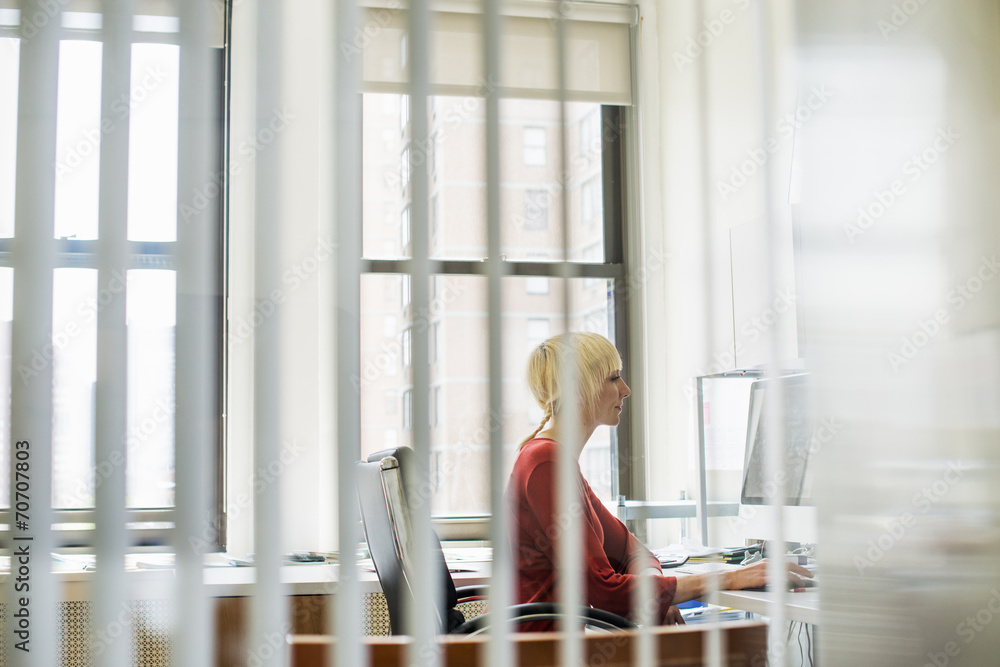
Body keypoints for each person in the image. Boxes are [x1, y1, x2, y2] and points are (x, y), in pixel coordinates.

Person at [505, 332, 812, 630]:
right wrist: (729, 578)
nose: (625, 389)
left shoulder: (556, 459)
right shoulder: (545, 463)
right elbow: (603, 592)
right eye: (613, 379)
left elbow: (631, 552)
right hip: (534, 649)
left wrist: (659, 593)